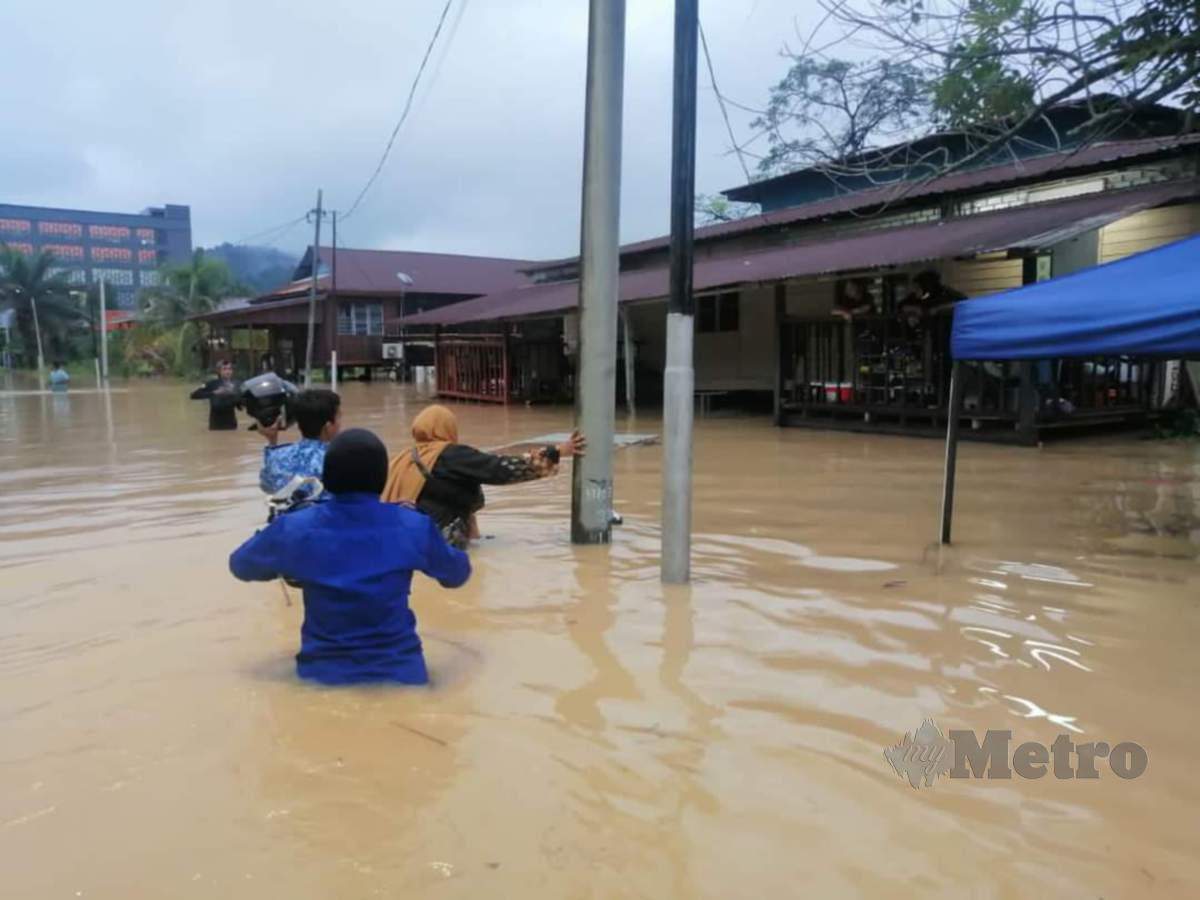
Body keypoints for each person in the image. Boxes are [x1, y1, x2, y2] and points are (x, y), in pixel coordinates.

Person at [229, 429, 471, 685]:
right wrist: (434, 535)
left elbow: (240, 565)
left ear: (328, 477)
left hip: (322, 679)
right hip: (402, 676)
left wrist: (285, 557)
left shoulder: (295, 528)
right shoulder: (413, 526)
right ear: (382, 478)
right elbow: (457, 574)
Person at [381, 404, 587, 548]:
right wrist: (557, 452)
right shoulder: (450, 454)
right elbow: (501, 468)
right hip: (438, 548)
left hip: (402, 543)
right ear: (448, 428)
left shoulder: (402, 458)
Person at [259, 389, 341, 494]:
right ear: (328, 426)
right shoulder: (340, 459)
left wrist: (272, 440)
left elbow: (268, 488)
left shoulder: (276, 455)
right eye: (339, 417)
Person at [190, 360, 239, 430]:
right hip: (215, 424)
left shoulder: (237, 383)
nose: (228, 371)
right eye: (224, 369)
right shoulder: (212, 384)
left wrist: (235, 394)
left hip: (231, 423)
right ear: (219, 371)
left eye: (230, 369)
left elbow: (245, 399)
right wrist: (214, 393)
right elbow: (194, 395)